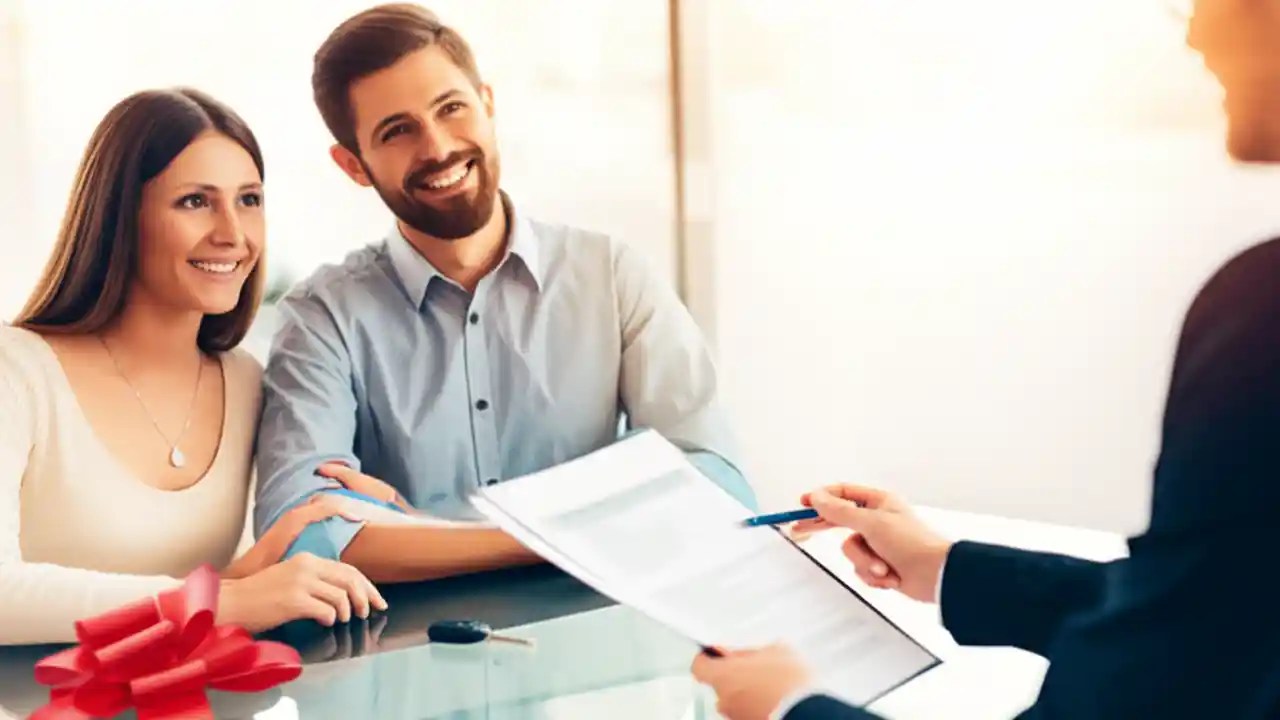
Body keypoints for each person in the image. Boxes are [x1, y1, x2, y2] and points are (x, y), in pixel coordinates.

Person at [691, 1, 1280, 718]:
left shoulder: (1264, 311)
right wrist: (948, 569)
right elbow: (1221, 614)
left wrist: (791, 709)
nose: (1197, 33)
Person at [253, 3, 756, 583]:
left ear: (488, 105)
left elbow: (716, 483)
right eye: (397, 131)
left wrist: (421, 530)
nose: (438, 147)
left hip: (608, 644)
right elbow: (302, 539)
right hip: (413, 659)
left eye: (452, 108)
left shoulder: (611, 277)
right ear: (354, 166)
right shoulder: (323, 320)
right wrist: (558, 536)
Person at [0, 88, 386, 645]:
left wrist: (371, 515)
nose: (232, 233)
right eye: (195, 202)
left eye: (249, 199)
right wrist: (221, 601)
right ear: (119, 218)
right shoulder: (18, 372)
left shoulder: (247, 383)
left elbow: (188, 597)